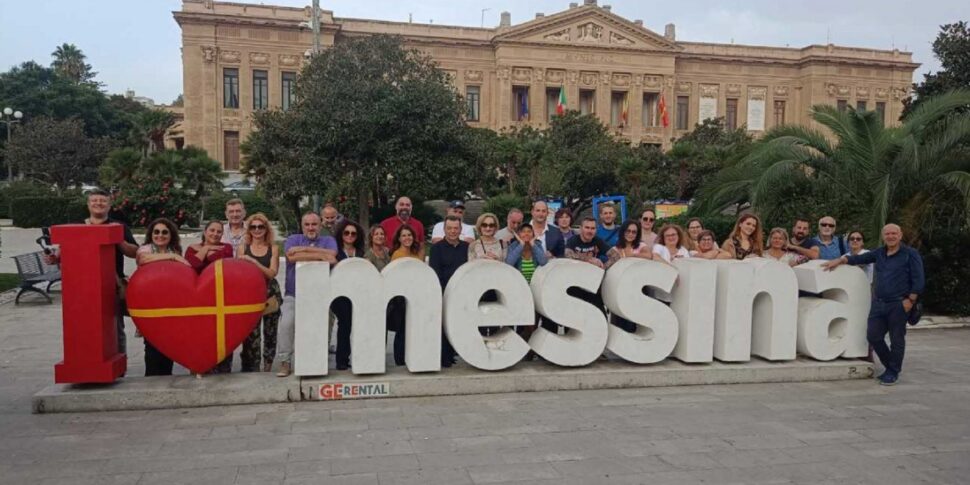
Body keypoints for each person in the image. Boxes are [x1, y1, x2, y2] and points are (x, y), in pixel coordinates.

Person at [823, 224, 925, 386]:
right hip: (879, 303)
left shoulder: (910, 254)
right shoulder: (880, 253)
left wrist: (910, 300)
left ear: (900, 235)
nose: (890, 236)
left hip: (899, 303)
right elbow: (859, 258)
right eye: (887, 234)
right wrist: (840, 260)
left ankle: (892, 372)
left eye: (894, 233)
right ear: (883, 236)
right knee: (873, 336)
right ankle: (891, 366)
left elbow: (919, 279)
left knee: (896, 339)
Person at [44, 189, 138, 355]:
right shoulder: (77, 227)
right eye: (94, 200)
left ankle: (118, 363)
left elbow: (134, 252)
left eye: (103, 201)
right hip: (83, 289)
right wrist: (54, 258)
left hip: (111, 286)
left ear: (109, 206)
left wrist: (119, 240)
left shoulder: (119, 227)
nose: (98, 204)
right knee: (85, 327)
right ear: (88, 204)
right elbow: (62, 253)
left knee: (114, 328)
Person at [276, 212, 338, 377]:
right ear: (302, 226)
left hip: (320, 295)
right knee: (287, 323)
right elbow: (291, 257)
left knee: (325, 323)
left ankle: (319, 358)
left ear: (320, 225)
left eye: (314, 224)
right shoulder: (292, 239)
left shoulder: (328, 240)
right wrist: (320, 255)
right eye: (307, 224)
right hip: (294, 293)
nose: (311, 227)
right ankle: (285, 361)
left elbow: (332, 258)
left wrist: (303, 251)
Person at [135, 217, 190, 376]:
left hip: (171, 305)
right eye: (156, 232)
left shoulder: (175, 251)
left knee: (169, 345)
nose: (160, 235)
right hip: (150, 305)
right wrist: (172, 258)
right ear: (151, 234)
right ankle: (152, 382)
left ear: (171, 234)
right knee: (152, 346)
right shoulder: (145, 250)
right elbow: (144, 260)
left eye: (165, 232)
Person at [185, 220, 236, 373]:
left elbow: (220, 262)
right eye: (212, 230)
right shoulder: (190, 248)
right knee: (200, 336)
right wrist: (207, 248)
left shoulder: (226, 247)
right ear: (205, 231)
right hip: (198, 300)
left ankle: (223, 369)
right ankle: (199, 367)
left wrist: (204, 254)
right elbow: (190, 265)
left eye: (219, 231)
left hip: (220, 298)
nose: (215, 234)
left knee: (222, 335)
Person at [236, 213, 281, 373]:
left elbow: (272, 273)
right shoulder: (242, 248)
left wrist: (254, 262)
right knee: (251, 334)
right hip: (251, 295)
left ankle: (267, 366)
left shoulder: (273, 248)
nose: (257, 230)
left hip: (270, 294)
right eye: (253, 227)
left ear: (266, 229)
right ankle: (252, 367)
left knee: (270, 332)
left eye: (260, 226)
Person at [429, 216, 469, 368]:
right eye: (449, 228)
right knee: (444, 326)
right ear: (444, 229)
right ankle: (444, 358)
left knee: (459, 325)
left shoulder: (467, 247)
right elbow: (436, 273)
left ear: (460, 229)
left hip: (463, 294)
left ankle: (453, 354)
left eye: (456, 228)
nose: (453, 231)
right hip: (445, 293)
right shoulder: (436, 248)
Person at [333, 219, 365, 370]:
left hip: (358, 293)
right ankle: (342, 360)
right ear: (341, 234)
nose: (350, 235)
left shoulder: (361, 252)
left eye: (353, 233)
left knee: (359, 325)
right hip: (339, 294)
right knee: (345, 323)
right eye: (346, 233)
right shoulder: (335, 251)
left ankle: (360, 358)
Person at [389, 224, 423, 365]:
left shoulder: (415, 252)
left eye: (409, 235)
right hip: (402, 297)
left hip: (416, 294)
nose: (407, 238)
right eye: (404, 235)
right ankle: (400, 359)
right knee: (402, 328)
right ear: (399, 238)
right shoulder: (397, 254)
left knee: (413, 327)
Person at [612, 220, 653, 332]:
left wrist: (632, 255)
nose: (630, 234)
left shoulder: (641, 246)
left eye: (634, 232)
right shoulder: (616, 248)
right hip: (620, 289)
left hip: (638, 288)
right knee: (619, 321)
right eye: (628, 231)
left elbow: (649, 255)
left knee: (633, 321)